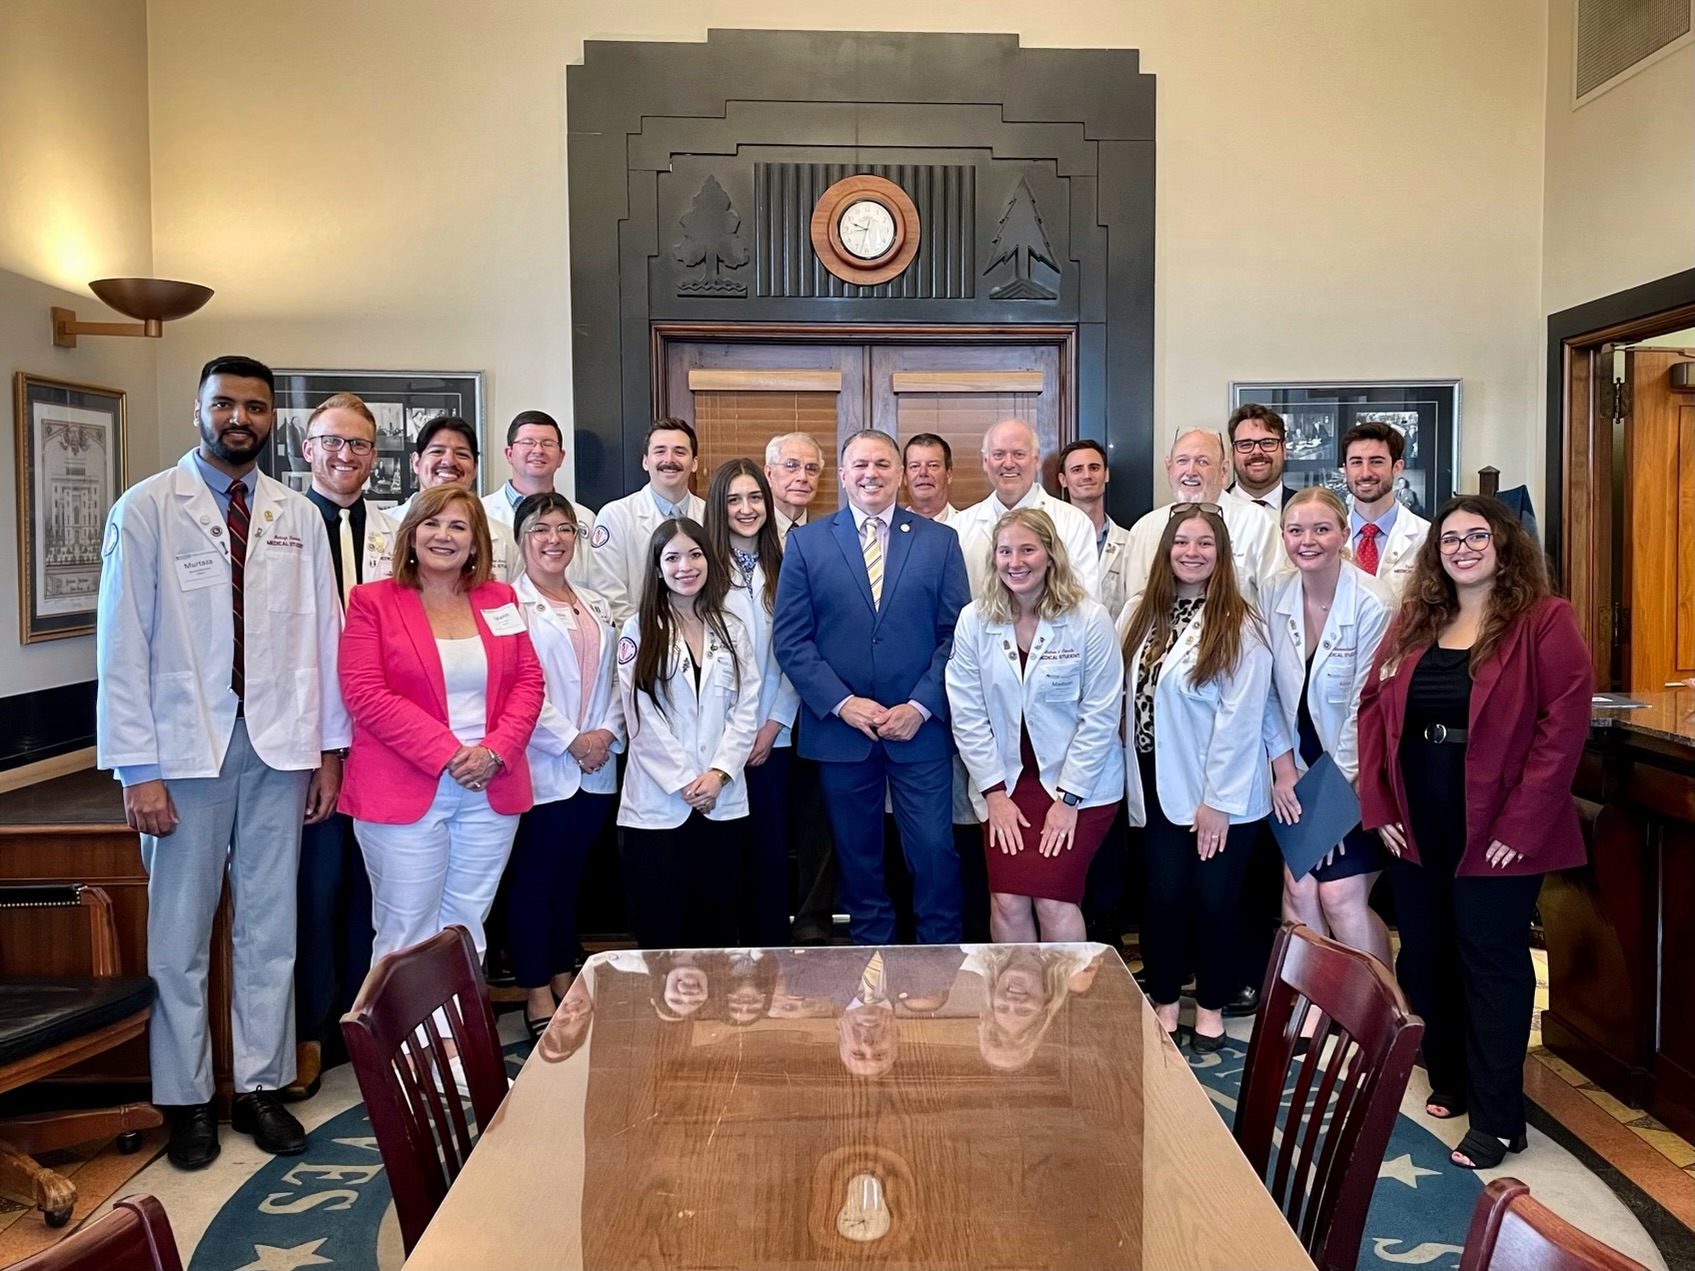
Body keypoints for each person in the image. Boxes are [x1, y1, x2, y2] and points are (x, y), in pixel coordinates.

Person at [96, 355, 348, 1167]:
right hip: (181, 750)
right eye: (224, 404)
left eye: (253, 406)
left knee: (271, 929)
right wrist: (138, 767)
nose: (239, 417)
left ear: (272, 418)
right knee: (180, 935)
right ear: (200, 410)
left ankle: (262, 1087)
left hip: (278, 747)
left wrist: (329, 752)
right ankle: (188, 1099)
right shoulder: (146, 509)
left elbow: (325, 635)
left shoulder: (293, 515)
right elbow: (120, 644)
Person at [1358, 495, 1592, 1170]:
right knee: (1425, 954)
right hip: (1416, 810)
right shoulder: (1413, 618)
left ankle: (1497, 1116)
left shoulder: (1543, 620)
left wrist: (1522, 822)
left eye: (1475, 536)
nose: (1461, 548)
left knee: (1488, 960)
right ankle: (1450, 1074)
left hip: (1497, 818)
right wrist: (1380, 807)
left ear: (1503, 544)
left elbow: (1561, 726)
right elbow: (1371, 708)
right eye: (1449, 538)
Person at [774, 429, 972, 944]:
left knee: (932, 850)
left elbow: (957, 636)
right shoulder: (807, 542)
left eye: (883, 464)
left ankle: (940, 954)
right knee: (857, 854)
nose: (871, 474)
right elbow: (792, 641)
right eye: (859, 464)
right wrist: (842, 704)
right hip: (842, 732)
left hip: (920, 730)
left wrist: (922, 706)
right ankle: (872, 955)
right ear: (841, 476)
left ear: (901, 474)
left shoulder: (939, 541)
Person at [338, 485, 545, 967]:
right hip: (403, 788)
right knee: (405, 932)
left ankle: (455, 1043)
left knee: (466, 927)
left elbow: (529, 682)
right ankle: (398, 1045)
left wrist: (494, 751)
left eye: (458, 526)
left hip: (490, 786)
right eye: (432, 523)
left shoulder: (500, 597)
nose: (443, 535)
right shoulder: (372, 601)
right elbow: (364, 694)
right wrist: (451, 753)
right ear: (410, 536)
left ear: (476, 543)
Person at [1119, 505, 1273, 1052]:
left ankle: (1210, 1004)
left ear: (1222, 553)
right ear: (1165, 551)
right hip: (1153, 781)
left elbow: (1242, 717)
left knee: (1214, 901)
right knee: (1161, 899)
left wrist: (1217, 801)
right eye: (1181, 542)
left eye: (1205, 543)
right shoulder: (1140, 614)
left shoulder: (1241, 622)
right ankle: (1164, 999)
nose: (1191, 552)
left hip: (1219, 791)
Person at [947, 509, 1124, 942]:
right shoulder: (974, 620)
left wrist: (1069, 799)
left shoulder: (1089, 618)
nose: (1015, 561)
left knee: (1054, 899)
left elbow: (1100, 715)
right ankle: (1019, 1010)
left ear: (1050, 555)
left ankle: (1065, 1010)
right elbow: (967, 713)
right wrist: (994, 794)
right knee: (1007, 900)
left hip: (1079, 785)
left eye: (1027, 549)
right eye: (1004, 551)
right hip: (1006, 782)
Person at [285, 392, 388, 1102]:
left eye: (357, 445)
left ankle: (365, 1016)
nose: (344, 456)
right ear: (305, 449)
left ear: (374, 456)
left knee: (376, 887)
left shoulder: (395, 529)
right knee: (315, 888)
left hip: (384, 740)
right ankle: (313, 1029)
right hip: (307, 741)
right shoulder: (283, 527)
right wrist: (322, 744)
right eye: (331, 443)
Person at [1262, 487, 1394, 976]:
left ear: (1343, 533)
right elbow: (1266, 692)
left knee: (1339, 895)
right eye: (1296, 530)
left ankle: (1384, 1012)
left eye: (1321, 529)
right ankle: (1313, 1009)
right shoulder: (1273, 592)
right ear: (1283, 537)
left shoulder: (1374, 602)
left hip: (1357, 768)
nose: (1308, 540)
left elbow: (1369, 708)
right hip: (1295, 764)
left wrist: (1330, 805)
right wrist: (1282, 769)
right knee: (1297, 887)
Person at [505, 492, 623, 1036]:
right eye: (539, 529)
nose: (553, 539)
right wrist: (571, 738)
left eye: (563, 529)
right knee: (534, 878)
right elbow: (515, 687)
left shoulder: (595, 603)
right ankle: (534, 990)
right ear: (520, 537)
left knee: (569, 877)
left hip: (595, 765)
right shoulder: (507, 604)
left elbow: (614, 682)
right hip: (539, 761)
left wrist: (604, 734)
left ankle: (559, 973)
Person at [616, 517, 761, 950]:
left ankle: (714, 1019)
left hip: (722, 801)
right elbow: (639, 717)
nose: (686, 566)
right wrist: (685, 780)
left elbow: (746, 707)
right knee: (663, 930)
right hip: (660, 806)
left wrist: (718, 773)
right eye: (673, 557)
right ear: (658, 569)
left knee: (717, 927)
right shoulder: (638, 629)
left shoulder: (731, 628)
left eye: (695, 554)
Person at [703, 459, 800, 945]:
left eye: (755, 498)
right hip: (713, 739)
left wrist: (775, 724)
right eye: (734, 500)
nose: (746, 509)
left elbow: (796, 653)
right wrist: (731, 737)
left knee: (769, 853)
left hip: (771, 739)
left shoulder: (786, 564)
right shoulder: (698, 566)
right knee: (720, 858)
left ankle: (772, 965)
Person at [1120, 430, 1286, 613]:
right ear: (1169, 468)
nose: (1190, 471)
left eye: (1202, 462)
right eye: (1182, 461)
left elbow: (1278, 601)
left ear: (1223, 471)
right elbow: (1132, 606)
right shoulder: (1145, 528)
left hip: (1236, 640)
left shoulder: (1256, 522)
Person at [952, 419, 1100, 601]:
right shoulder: (959, 527)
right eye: (998, 454)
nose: (1008, 463)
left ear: (1036, 460)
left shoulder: (1073, 522)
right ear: (985, 461)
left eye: (1018, 454)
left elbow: (1086, 603)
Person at [588, 418, 705, 626]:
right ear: (645, 461)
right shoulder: (615, 516)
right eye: (660, 451)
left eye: (680, 451)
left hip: (703, 642)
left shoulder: (711, 515)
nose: (669, 459)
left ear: (694, 463)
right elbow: (608, 598)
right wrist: (649, 640)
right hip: (643, 644)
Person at [388, 415, 521, 582]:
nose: (449, 461)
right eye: (437, 451)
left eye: (461, 454)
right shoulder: (384, 527)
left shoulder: (506, 539)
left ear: (474, 469)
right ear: (416, 462)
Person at [481, 409, 597, 588]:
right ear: (509, 454)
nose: (538, 450)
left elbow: (596, 584)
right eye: (528, 442)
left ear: (560, 457)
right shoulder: (480, 513)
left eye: (548, 443)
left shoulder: (585, 519)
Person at [1342, 420, 1430, 600]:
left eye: (1376, 462)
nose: (1365, 473)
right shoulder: (1329, 538)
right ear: (1345, 469)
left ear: (1397, 467)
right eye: (1356, 462)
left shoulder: (1427, 538)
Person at [1056, 438, 1132, 622]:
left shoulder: (1130, 542)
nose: (1087, 475)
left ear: (1106, 474)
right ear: (1063, 480)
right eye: (1077, 470)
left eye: (1094, 468)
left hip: (1117, 645)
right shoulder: (1049, 541)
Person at [1225, 403, 1298, 512]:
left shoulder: (1306, 507)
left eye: (1267, 443)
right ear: (1232, 453)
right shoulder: (1212, 510)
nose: (1257, 451)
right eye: (1245, 444)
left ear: (1284, 450)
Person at [764, 432, 825, 540]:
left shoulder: (828, 532)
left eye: (811, 468)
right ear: (769, 474)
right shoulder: (751, 528)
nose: (803, 477)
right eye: (791, 466)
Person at [903, 432, 959, 523]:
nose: (923, 472)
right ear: (905, 477)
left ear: (949, 474)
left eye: (933, 465)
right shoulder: (889, 530)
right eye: (915, 466)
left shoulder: (969, 529)